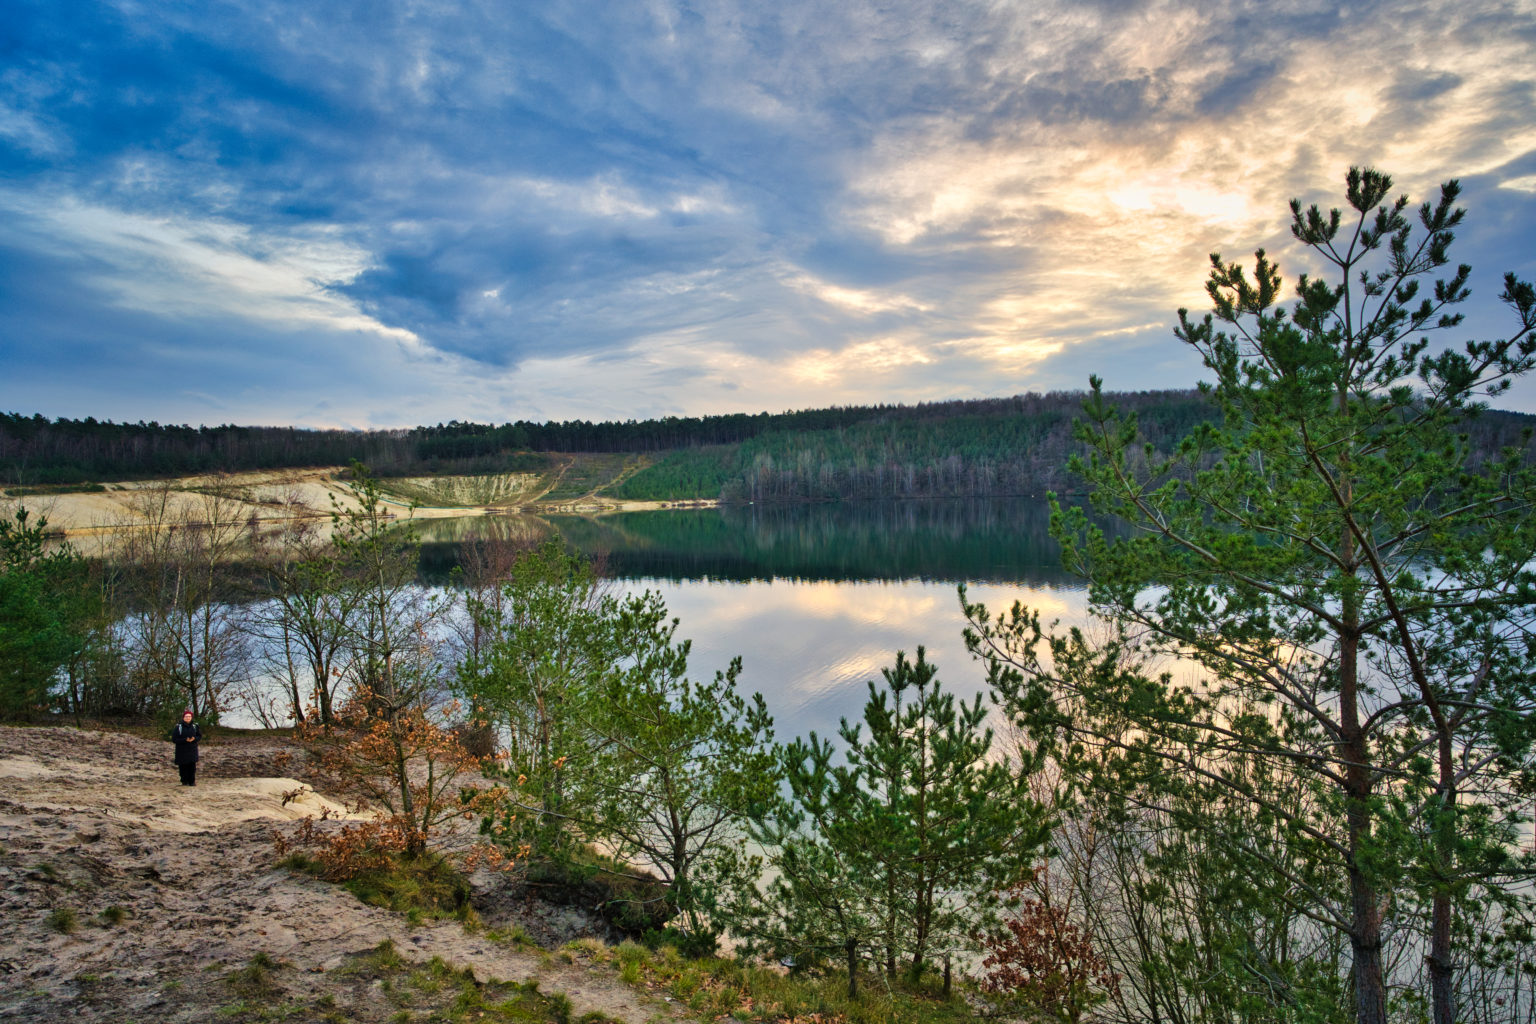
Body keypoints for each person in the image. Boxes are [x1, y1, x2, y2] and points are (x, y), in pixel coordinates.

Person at [169, 708, 201, 786]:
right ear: (183, 717)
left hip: (192, 749)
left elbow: (199, 736)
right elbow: (174, 739)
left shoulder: (195, 726)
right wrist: (185, 740)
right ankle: (184, 781)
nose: (188, 718)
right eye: (186, 716)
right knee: (183, 766)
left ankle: (192, 781)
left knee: (192, 766)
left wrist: (194, 739)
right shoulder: (178, 727)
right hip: (181, 750)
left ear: (191, 717)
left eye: (189, 716)